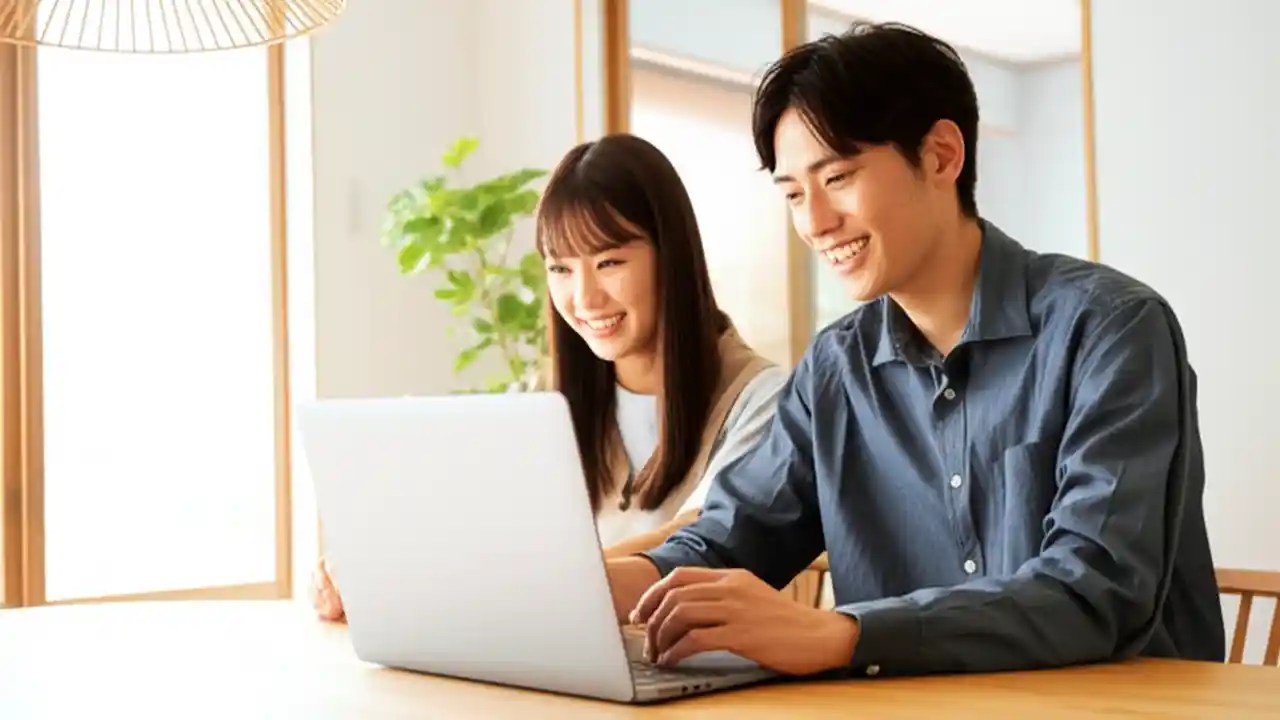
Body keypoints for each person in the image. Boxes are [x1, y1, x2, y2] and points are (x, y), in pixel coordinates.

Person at [605, 22, 1227, 676]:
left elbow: (1094, 589)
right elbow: (733, 536)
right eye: (793, 194)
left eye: (838, 177)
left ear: (940, 156)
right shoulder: (836, 368)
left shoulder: (1112, 330)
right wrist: (583, 589)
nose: (814, 223)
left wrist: (840, 634)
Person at [311, 134, 789, 621]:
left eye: (609, 263)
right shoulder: (546, 408)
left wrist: (528, 589)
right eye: (560, 268)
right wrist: (376, 568)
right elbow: (474, 532)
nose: (584, 298)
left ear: (673, 256)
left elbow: (700, 538)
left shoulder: (763, 398)